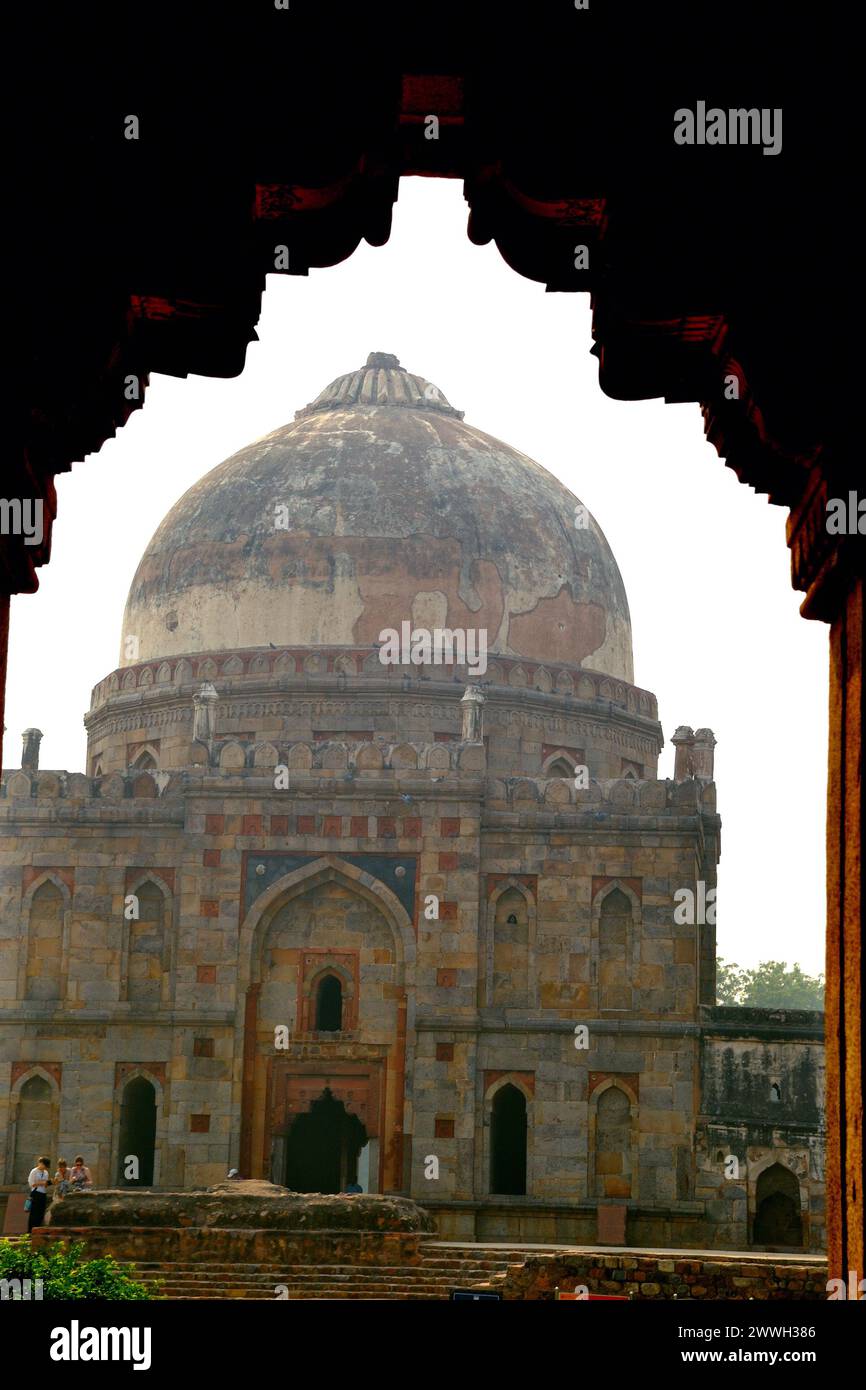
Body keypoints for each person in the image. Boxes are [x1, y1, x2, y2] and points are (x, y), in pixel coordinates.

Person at [27, 1156, 52, 1232]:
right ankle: (30, 1231)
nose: (45, 1167)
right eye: (44, 1165)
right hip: (35, 1193)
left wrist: (50, 1182)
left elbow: (45, 1184)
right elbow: (31, 1184)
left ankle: (38, 1230)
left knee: (41, 1213)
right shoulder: (34, 1171)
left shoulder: (46, 1172)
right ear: (40, 1163)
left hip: (43, 1193)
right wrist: (42, 1182)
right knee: (34, 1213)